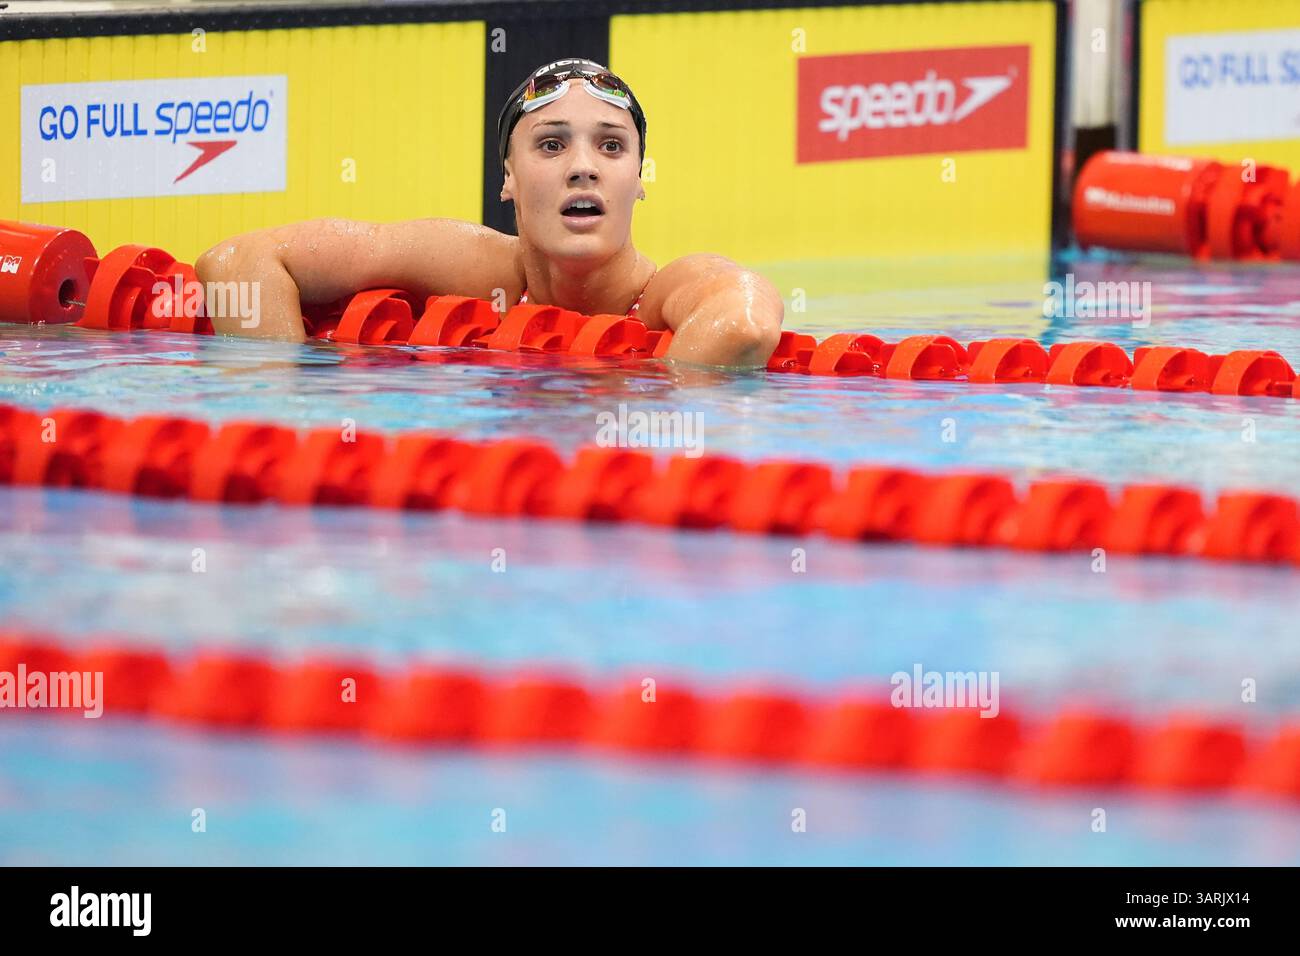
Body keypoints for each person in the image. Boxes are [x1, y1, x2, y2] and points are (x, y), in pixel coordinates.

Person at [195, 58, 783, 367]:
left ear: (638, 179)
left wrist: (639, 410)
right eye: (552, 145)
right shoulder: (473, 267)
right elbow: (237, 261)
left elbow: (745, 324)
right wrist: (276, 419)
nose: (584, 168)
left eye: (611, 146)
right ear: (507, 178)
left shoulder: (662, 297)